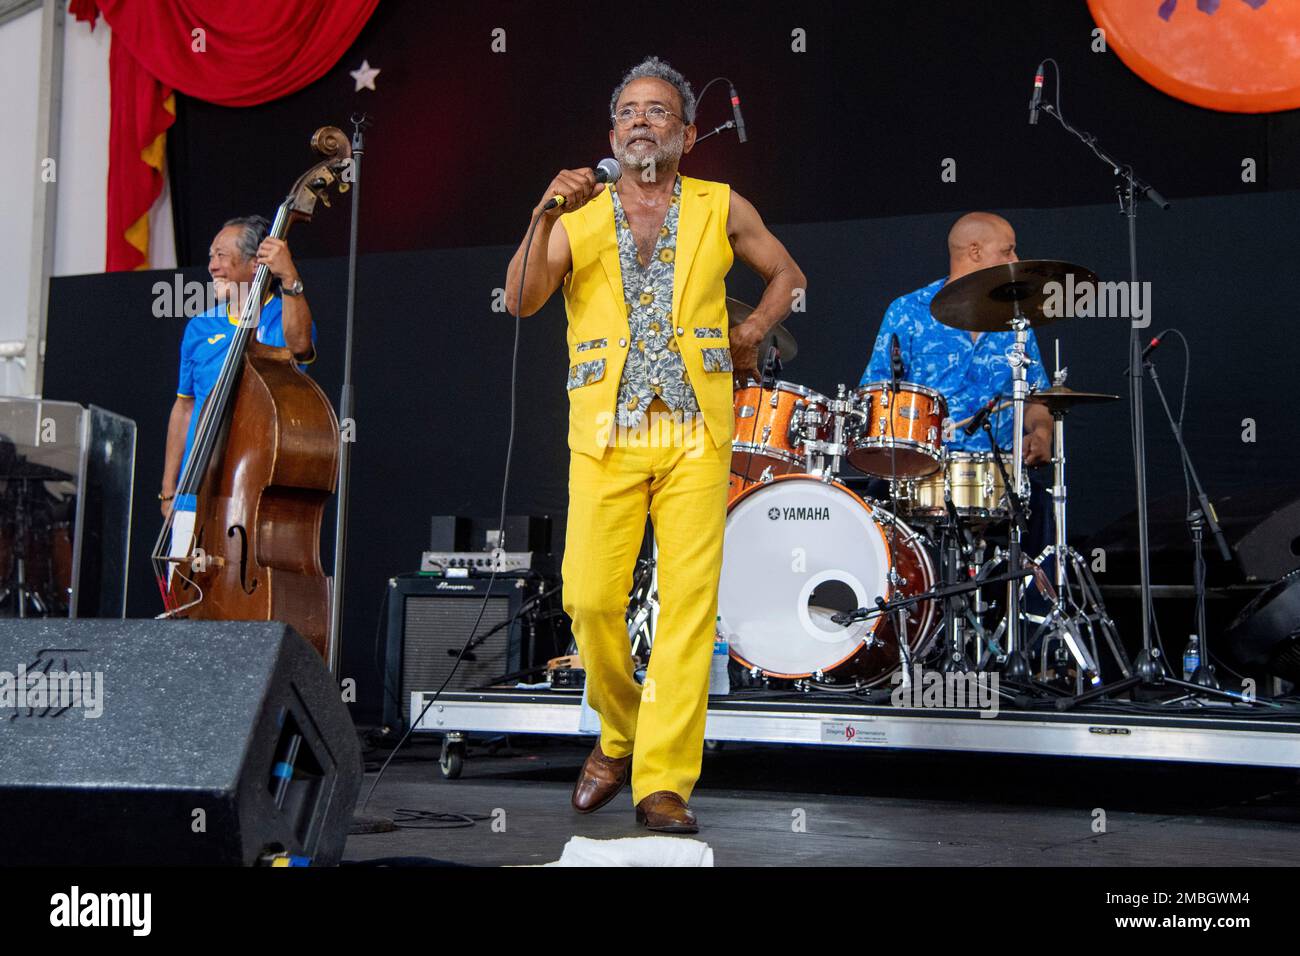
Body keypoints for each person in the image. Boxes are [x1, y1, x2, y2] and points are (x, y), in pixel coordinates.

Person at [504, 57, 806, 833]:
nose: (643, 121)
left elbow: (789, 276)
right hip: (606, 429)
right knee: (590, 599)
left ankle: (662, 780)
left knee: (686, 610)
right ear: (612, 133)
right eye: (630, 112)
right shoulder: (579, 213)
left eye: (660, 111)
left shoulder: (720, 204)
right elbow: (523, 299)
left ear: (689, 133)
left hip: (696, 431)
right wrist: (542, 212)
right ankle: (618, 732)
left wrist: (750, 332)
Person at [160, 216, 316, 556]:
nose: (212, 267)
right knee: (184, 600)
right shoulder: (200, 327)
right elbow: (185, 407)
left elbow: (301, 345)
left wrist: (289, 276)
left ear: (254, 262)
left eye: (222, 256)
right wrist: (169, 489)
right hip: (194, 487)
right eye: (211, 256)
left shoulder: (284, 314)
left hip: (254, 490)